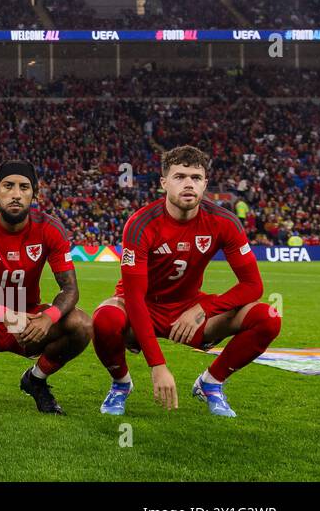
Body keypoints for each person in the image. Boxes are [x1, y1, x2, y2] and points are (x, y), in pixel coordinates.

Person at [92, 145, 280, 417]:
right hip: (142, 307)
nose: (188, 184)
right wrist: (157, 365)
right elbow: (133, 297)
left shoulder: (224, 222)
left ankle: (211, 383)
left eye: (196, 177)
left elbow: (253, 286)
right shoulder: (140, 223)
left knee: (268, 316)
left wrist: (204, 309)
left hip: (189, 308)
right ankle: (121, 384)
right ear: (164, 183)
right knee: (104, 319)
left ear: (205, 183)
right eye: (180, 177)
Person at [0, 160, 92, 416]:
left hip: (30, 320)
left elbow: (70, 289)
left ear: (35, 193)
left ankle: (36, 380)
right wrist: (7, 315)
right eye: (8, 186)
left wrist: (48, 318)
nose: (16, 194)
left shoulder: (50, 227)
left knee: (82, 324)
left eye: (24, 187)